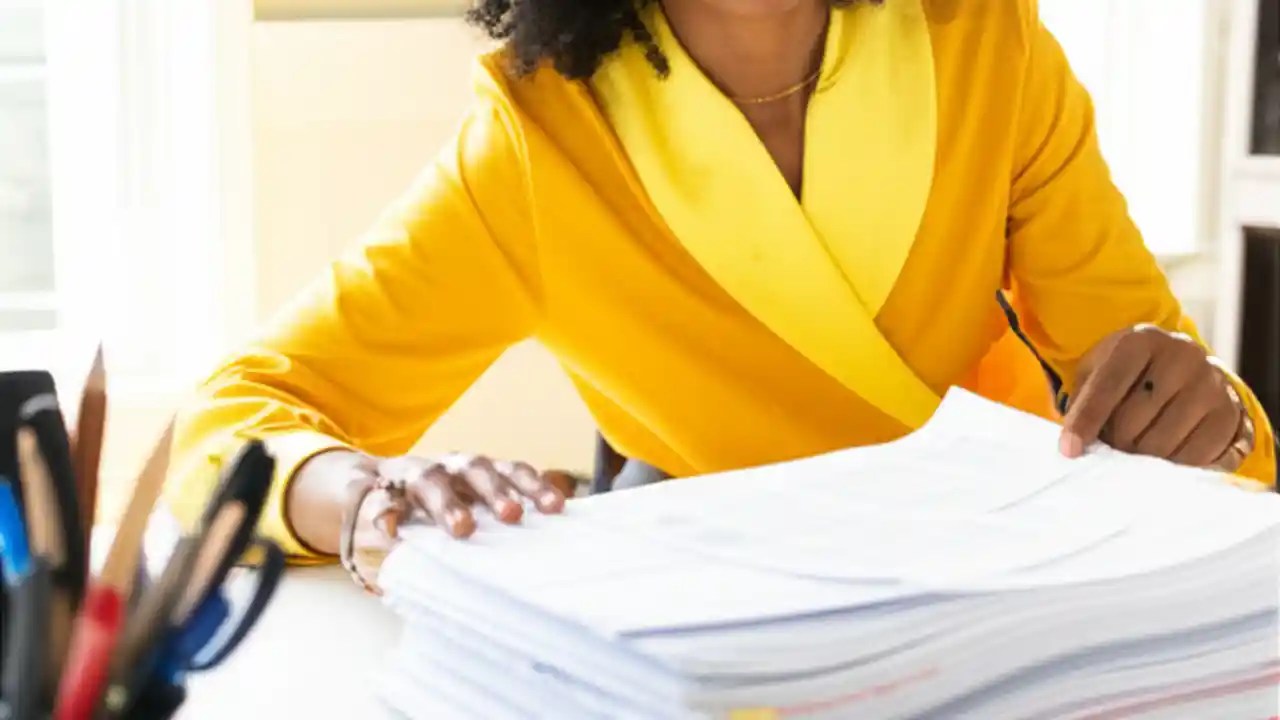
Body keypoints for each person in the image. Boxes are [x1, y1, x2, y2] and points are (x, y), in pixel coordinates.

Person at [166, 0, 1276, 579]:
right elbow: (230, 419)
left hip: (1022, 588)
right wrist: (366, 499)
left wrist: (1205, 418)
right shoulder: (535, 148)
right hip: (732, 634)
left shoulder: (989, 42)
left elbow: (1187, 411)